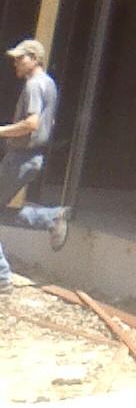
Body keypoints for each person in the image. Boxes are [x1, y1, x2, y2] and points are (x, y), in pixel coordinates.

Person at [0, 39, 70, 292]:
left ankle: (2, 277)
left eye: (20, 58)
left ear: (35, 59)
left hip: (21, 158)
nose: (16, 63)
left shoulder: (33, 85)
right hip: (32, 157)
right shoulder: (49, 84)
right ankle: (50, 217)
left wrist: (2, 131)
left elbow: (31, 124)